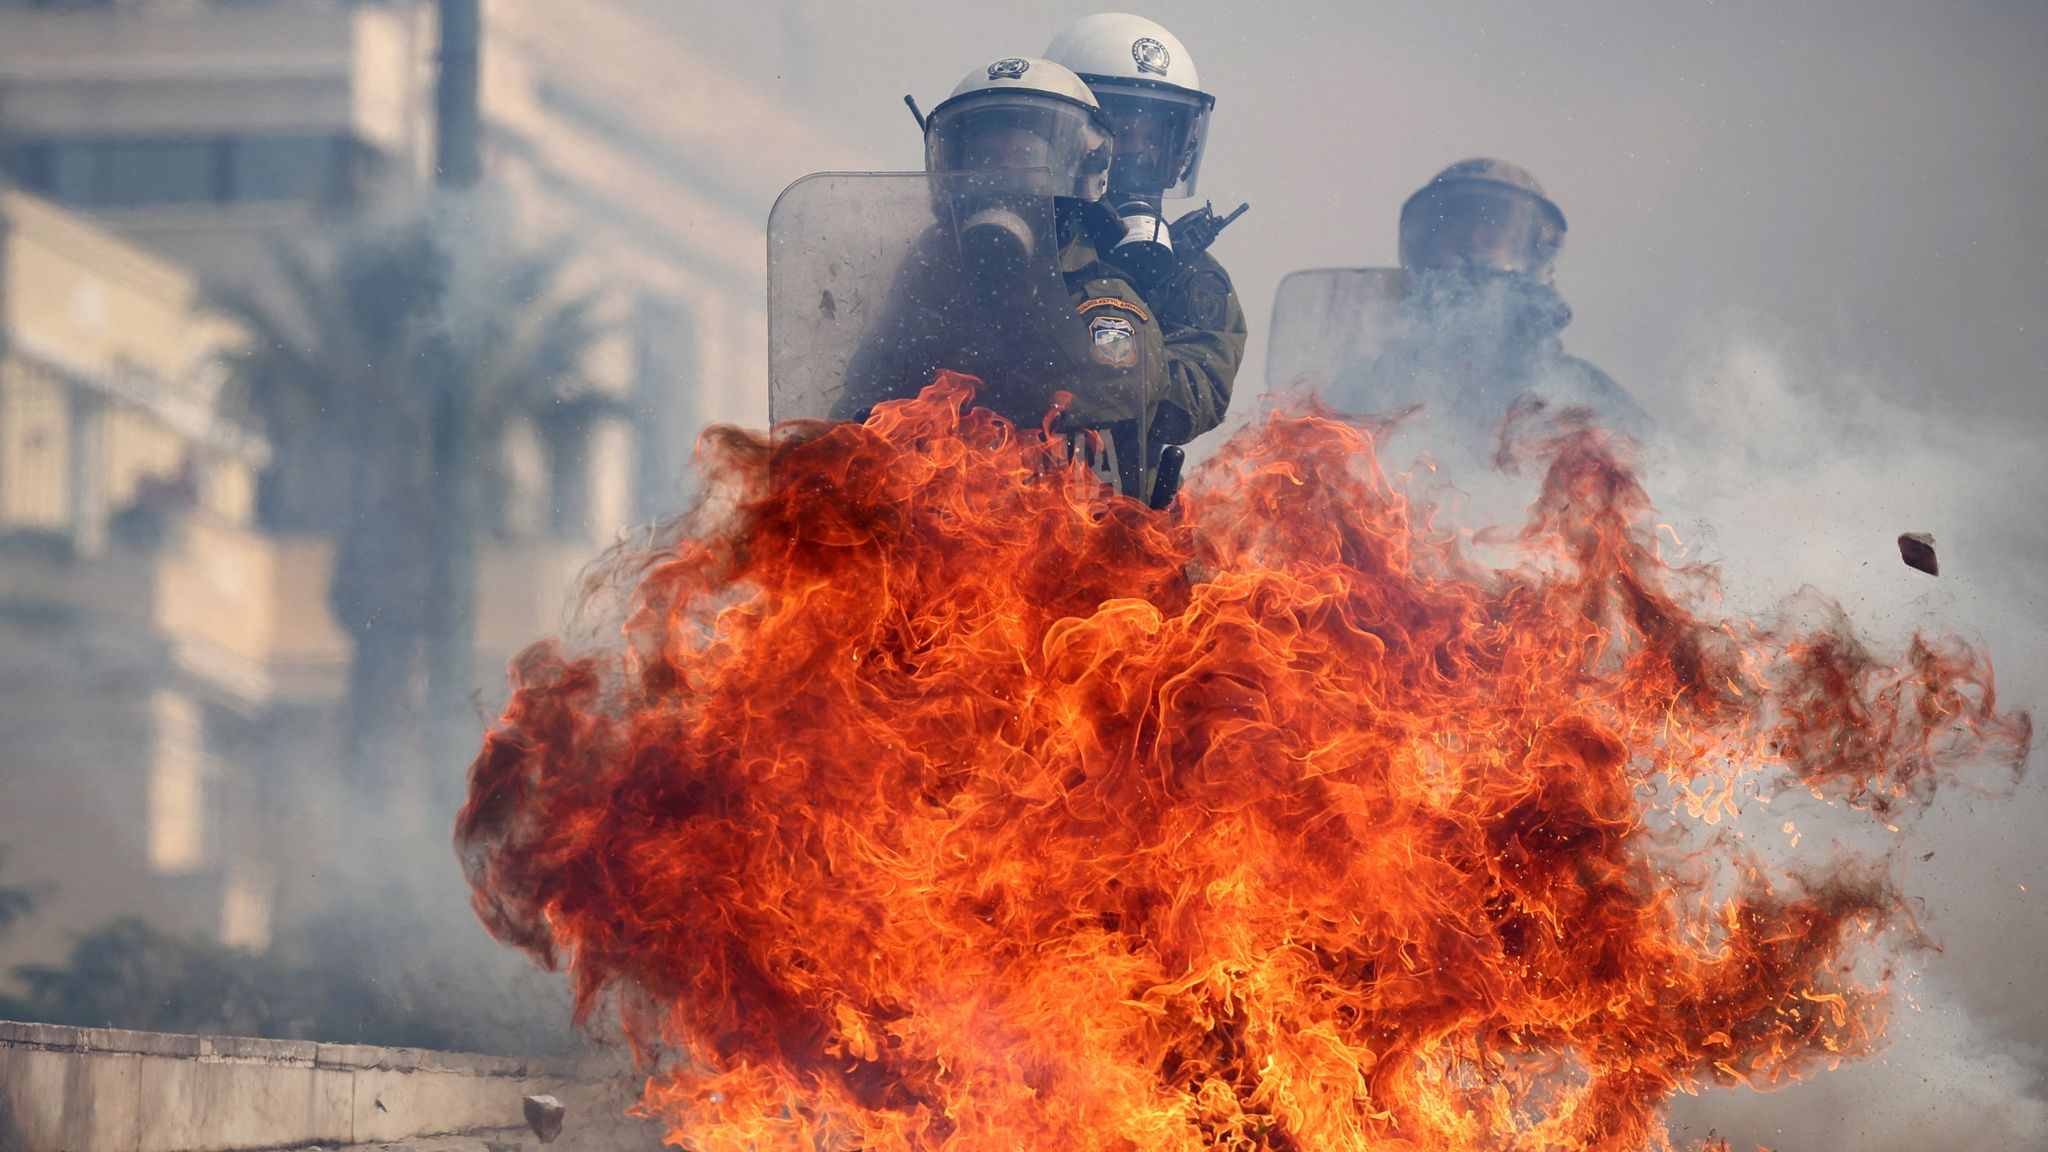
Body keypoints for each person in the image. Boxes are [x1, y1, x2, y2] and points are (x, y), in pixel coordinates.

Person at [835, 56, 1210, 502]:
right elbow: (862, 398)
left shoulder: (1102, 296)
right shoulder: (930, 278)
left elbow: (1111, 416)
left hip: (1066, 544)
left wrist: (1024, 309)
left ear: (1078, 173)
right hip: (938, 534)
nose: (1004, 174)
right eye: (987, 158)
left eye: (1026, 158)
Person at [1044, 12, 1244, 455]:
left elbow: (1194, 402)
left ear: (1182, 153)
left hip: (1118, 513)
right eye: (1119, 133)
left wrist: (1112, 364)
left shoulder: (1193, 274)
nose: (1136, 155)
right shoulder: (1009, 243)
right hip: (981, 493)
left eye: (1155, 138)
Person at [1339, 158, 1651, 441]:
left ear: (1537, 250)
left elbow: (1657, 481)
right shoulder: (1370, 386)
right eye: (1451, 227)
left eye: (1494, 229)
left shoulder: (1581, 393)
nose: (1471, 243)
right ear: (1421, 245)